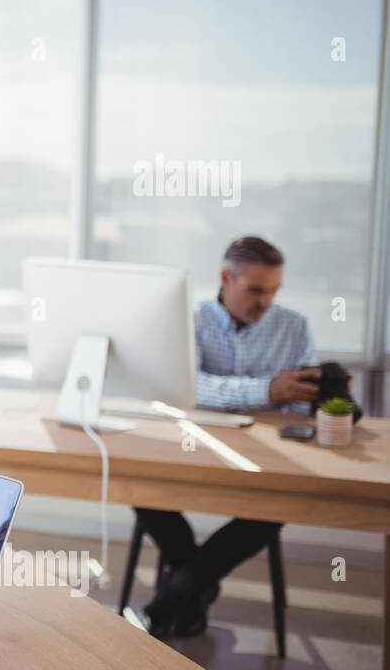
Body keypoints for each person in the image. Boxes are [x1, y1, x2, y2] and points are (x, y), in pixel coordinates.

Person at [137, 235, 330, 639]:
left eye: (274, 291)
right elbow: (186, 388)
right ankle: (193, 586)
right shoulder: (189, 321)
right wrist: (265, 391)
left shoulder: (294, 327)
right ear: (226, 278)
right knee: (138, 486)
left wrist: (321, 393)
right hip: (192, 451)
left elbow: (299, 407)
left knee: (276, 503)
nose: (266, 302)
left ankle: (176, 592)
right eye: (256, 290)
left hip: (264, 460)